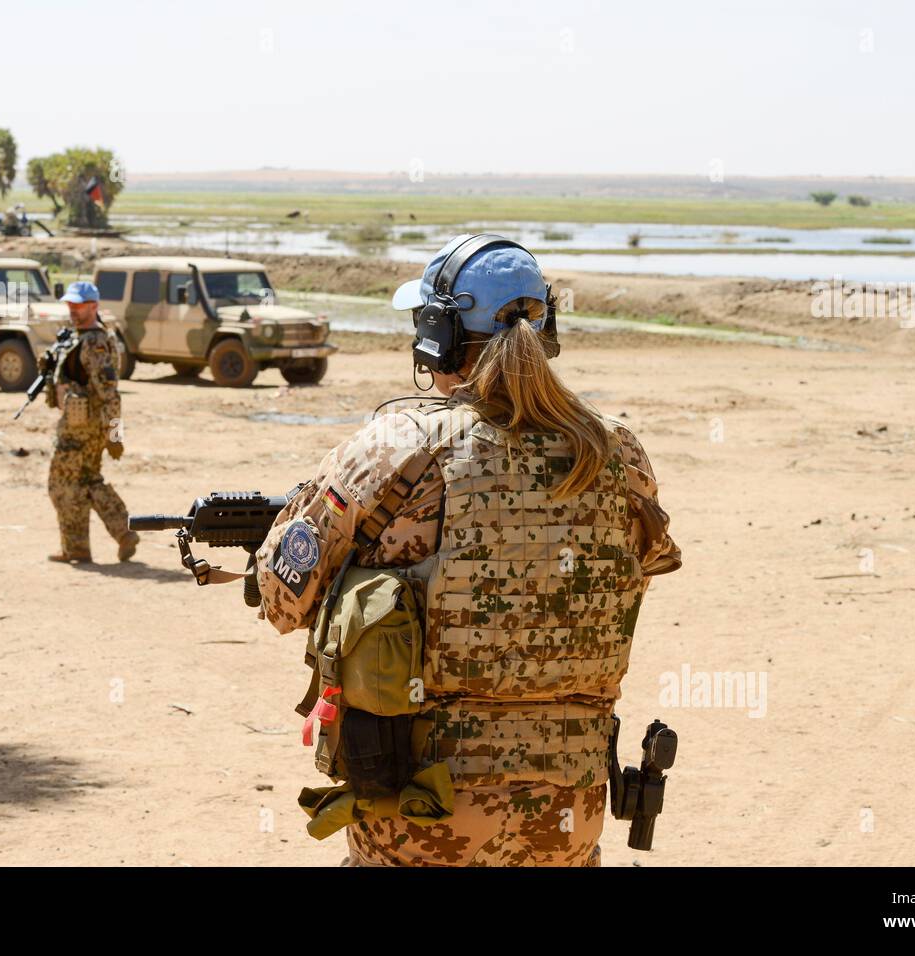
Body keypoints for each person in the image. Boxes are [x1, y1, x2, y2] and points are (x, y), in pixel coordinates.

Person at [255, 235, 681, 866]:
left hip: (420, 813)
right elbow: (637, 571)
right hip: (569, 821)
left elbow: (282, 600)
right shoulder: (617, 452)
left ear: (439, 333)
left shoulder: (399, 446)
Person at [47, 280, 138, 564]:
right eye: (70, 304)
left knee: (62, 484)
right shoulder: (80, 337)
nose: (73, 309)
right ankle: (123, 532)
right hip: (79, 426)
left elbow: (110, 394)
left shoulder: (95, 342)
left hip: (84, 430)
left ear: (94, 306)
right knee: (87, 481)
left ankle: (77, 548)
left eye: (79, 305)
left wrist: (114, 435)